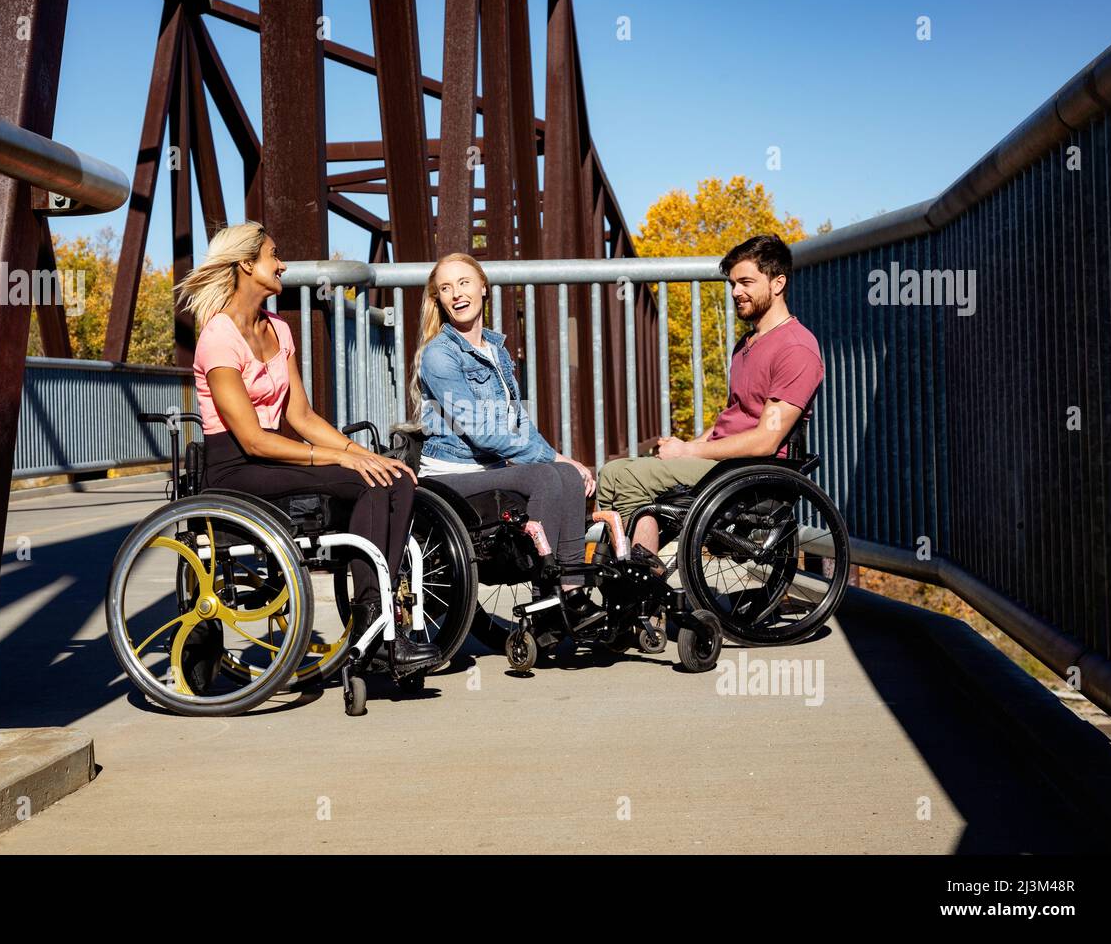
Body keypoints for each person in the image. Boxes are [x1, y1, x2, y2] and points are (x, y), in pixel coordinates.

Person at [177, 221, 439, 670]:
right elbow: (253, 440)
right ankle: (372, 623)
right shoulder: (218, 337)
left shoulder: (278, 328)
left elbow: (301, 417)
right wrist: (339, 458)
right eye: (273, 256)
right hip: (236, 467)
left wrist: (361, 453)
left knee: (392, 477)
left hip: (274, 455)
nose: (283, 264)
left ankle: (377, 621)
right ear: (246, 264)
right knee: (365, 482)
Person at [596, 233, 824, 564]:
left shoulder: (796, 349)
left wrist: (689, 451)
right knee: (611, 471)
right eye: (732, 283)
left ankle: (643, 574)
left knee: (627, 477)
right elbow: (730, 419)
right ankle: (613, 568)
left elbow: (765, 440)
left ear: (778, 283)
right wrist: (682, 448)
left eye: (746, 282)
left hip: (750, 472)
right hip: (721, 463)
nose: (735, 292)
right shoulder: (747, 345)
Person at [412, 252, 604, 630]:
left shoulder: (496, 351)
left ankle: (573, 591)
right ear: (439, 299)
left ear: (483, 287)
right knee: (547, 477)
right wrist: (551, 461)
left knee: (563, 476)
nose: (457, 294)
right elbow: (481, 430)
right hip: (450, 475)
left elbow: (517, 423)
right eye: (446, 288)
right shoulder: (439, 355)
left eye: (464, 282)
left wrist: (563, 458)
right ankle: (545, 597)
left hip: (488, 469)